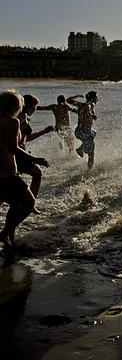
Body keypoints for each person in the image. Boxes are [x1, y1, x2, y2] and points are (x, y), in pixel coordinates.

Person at [0, 90, 49, 251]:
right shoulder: (12, 122)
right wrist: (35, 159)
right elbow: (13, 148)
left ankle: (8, 235)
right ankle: (5, 234)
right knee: (28, 203)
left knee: (14, 204)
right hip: (7, 174)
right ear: (16, 106)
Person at [17, 94, 53, 201]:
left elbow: (26, 138)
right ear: (29, 106)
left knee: (10, 185)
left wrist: (44, 131)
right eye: (35, 107)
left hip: (19, 150)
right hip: (18, 152)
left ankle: (29, 202)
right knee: (37, 173)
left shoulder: (22, 117)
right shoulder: (22, 116)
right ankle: (30, 202)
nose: (35, 110)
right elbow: (15, 137)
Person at [68, 91, 98, 170]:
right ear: (93, 98)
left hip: (78, 131)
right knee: (91, 154)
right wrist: (92, 115)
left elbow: (68, 100)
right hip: (85, 133)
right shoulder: (90, 105)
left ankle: (80, 148)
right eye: (97, 97)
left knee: (94, 132)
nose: (98, 99)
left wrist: (77, 95)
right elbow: (88, 107)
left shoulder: (81, 105)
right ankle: (89, 172)